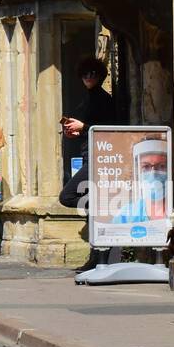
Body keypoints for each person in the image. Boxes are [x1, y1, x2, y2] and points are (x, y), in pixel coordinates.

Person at [58, 56, 117, 273]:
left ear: (100, 76)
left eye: (92, 74)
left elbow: (110, 128)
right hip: (89, 154)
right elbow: (87, 129)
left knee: (67, 196)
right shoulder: (87, 98)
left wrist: (83, 126)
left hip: (100, 157)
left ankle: (101, 207)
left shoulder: (103, 99)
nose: (88, 78)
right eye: (85, 74)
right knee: (92, 211)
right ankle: (96, 256)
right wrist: (76, 131)